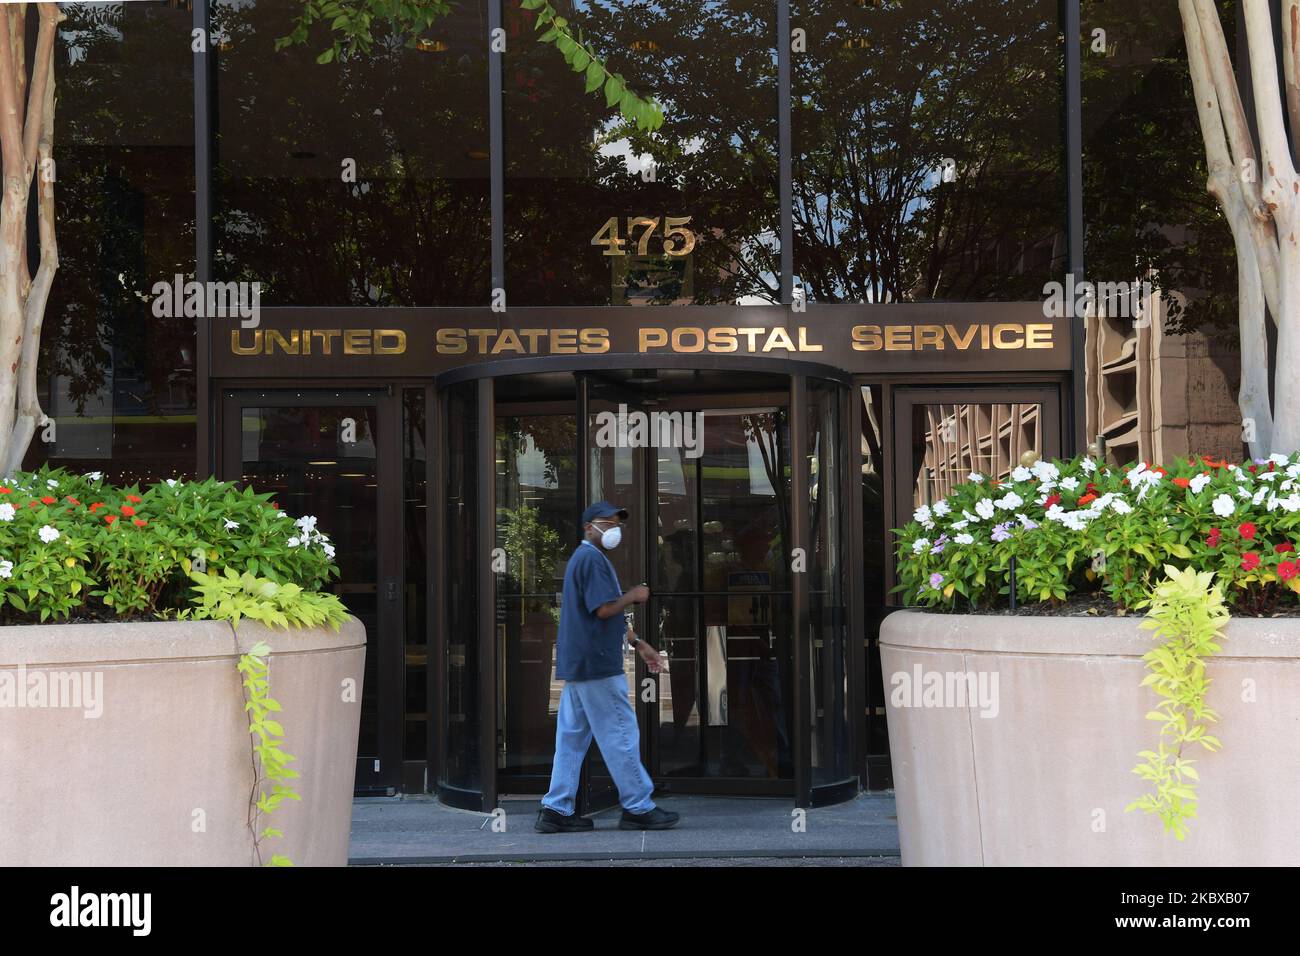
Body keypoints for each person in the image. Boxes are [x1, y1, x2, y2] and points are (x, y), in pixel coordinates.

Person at [535, 500, 681, 833]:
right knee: (620, 732)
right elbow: (603, 610)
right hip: (597, 664)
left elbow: (602, 611)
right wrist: (634, 595)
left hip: (581, 664)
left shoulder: (587, 559)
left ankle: (556, 809)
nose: (614, 529)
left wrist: (637, 643)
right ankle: (638, 806)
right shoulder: (591, 559)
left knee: (571, 739)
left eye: (617, 523)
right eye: (607, 522)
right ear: (589, 527)